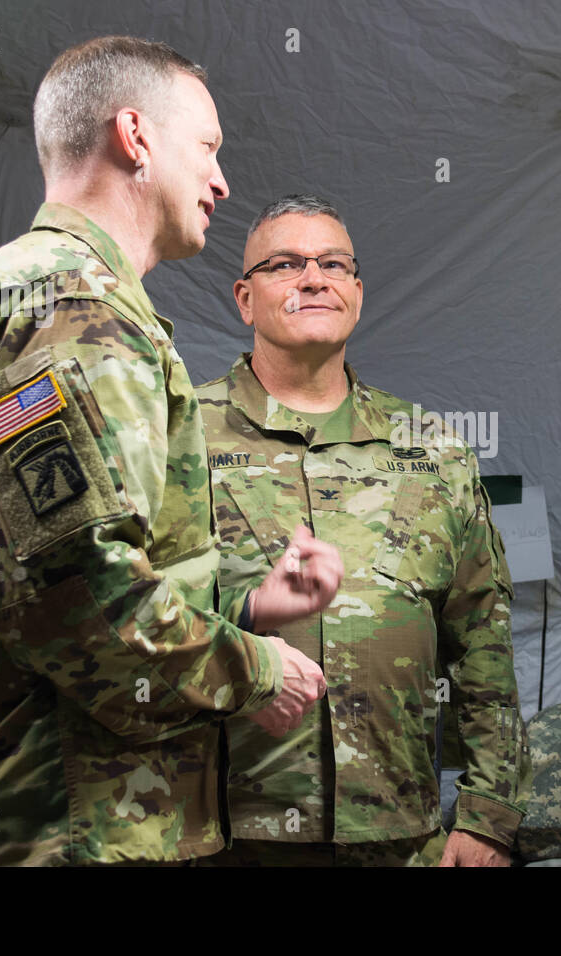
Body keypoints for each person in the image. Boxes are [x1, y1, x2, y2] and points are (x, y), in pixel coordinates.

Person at [0, 37, 341, 866]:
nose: (221, 180)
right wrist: (256, 669)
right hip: (57, 827)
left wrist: (238, 611)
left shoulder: (47, 294)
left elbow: (51, 576)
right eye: (207, 147)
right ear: (135, 137)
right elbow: (80, 607)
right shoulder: (73, 308)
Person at [195, 194, 526, 866]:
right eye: (285, 264)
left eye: (333, 264)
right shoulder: (179, 439)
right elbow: (127, 616)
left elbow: (482, 645)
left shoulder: (433, 451)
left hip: (398, 838)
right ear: (244, 298)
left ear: (357, 291)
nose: (313, 278)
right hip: (223, 839)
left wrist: (488, 815)